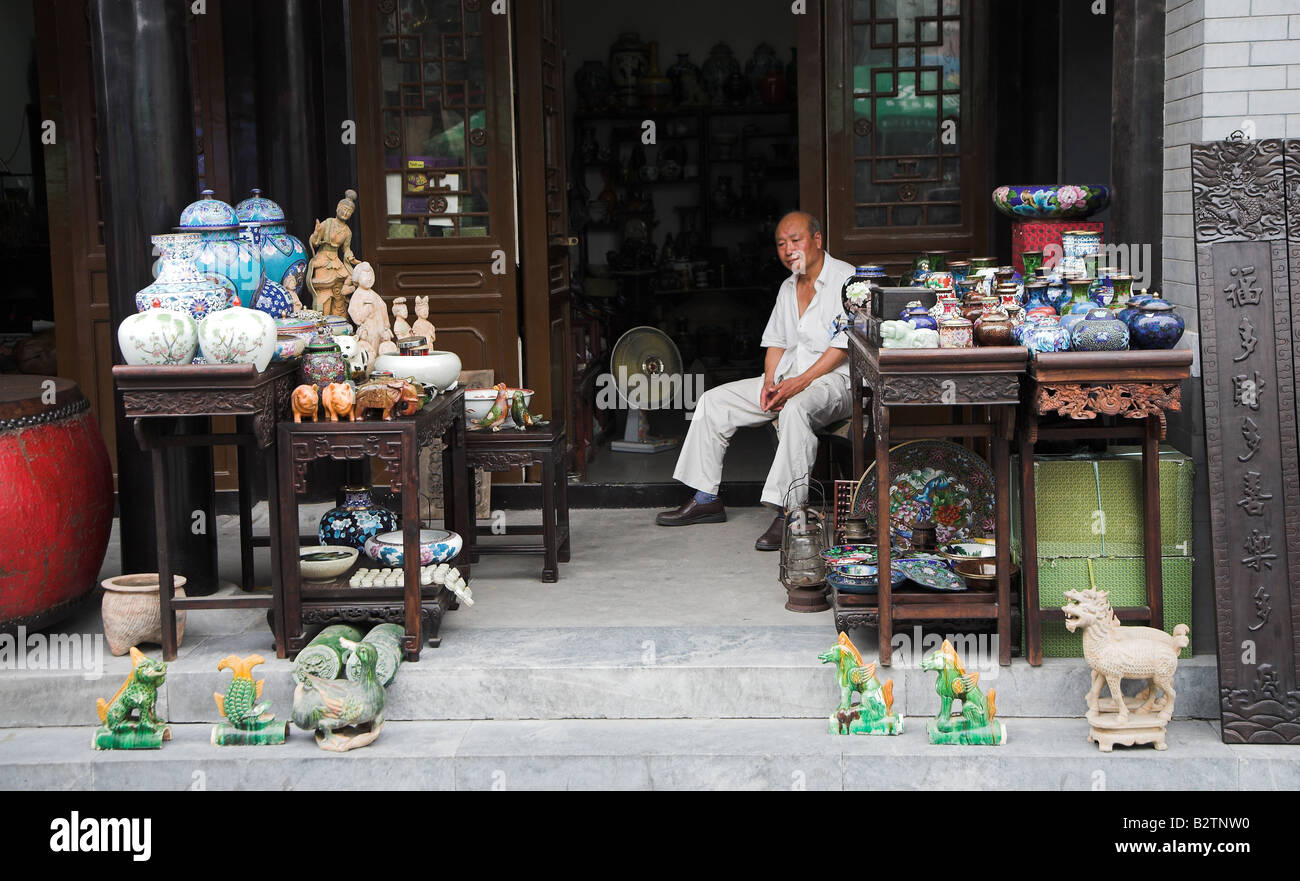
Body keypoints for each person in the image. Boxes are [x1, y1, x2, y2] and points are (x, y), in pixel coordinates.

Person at [655, 211, 854, 550]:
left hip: (833, 383)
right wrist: (770, 382)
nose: (789, 249)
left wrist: (797, 385)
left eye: (796, 240)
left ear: (817, 241)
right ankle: (706, 498)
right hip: (790, 378)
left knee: (794, 411)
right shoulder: (788, 286)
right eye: (781, 244)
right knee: (712, 402)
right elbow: (775, 343)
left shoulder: (846, 279)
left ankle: (789, 511)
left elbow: (842, 348)